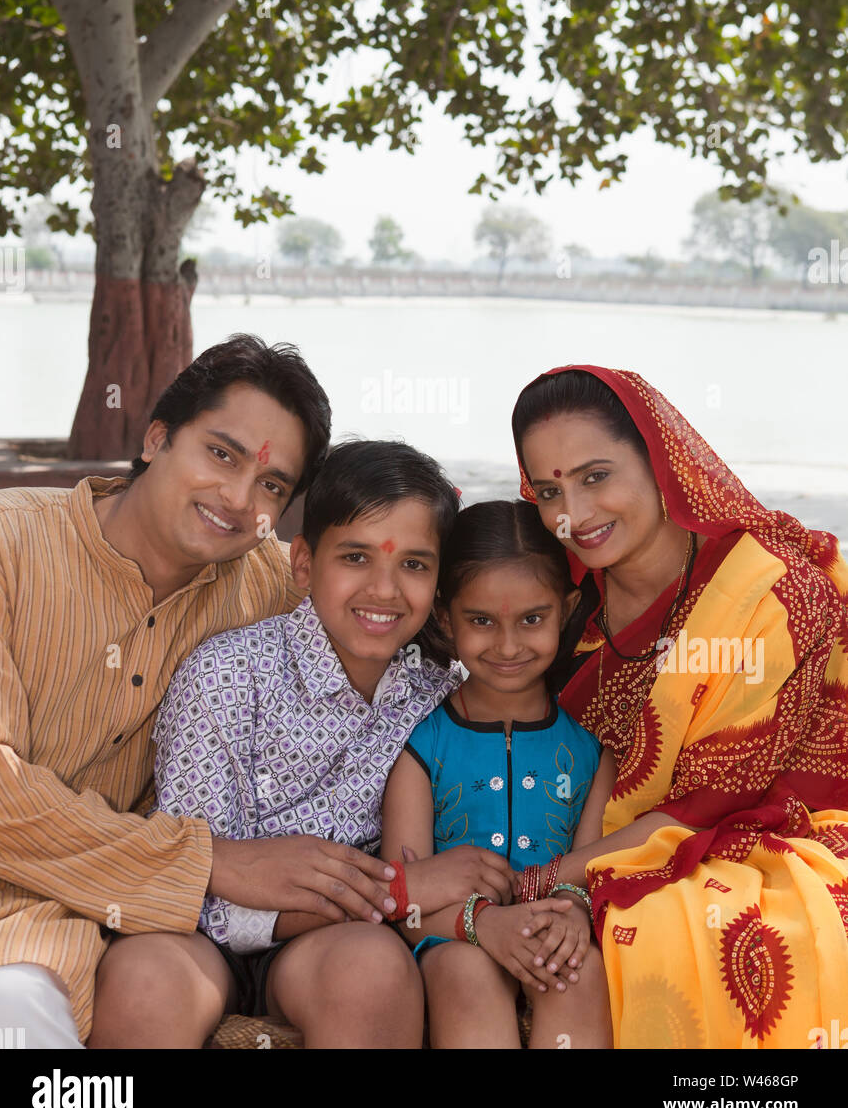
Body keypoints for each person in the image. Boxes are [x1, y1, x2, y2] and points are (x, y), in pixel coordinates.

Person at [0, 335, 401, 1049]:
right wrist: (212, 860)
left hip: (93, 934)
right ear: (156, 438)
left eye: (272, 486)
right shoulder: (2, 547)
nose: (239, 499)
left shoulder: (273, 587)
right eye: (222, 453)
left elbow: (416, 599)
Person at [90, 441, 516, 1049]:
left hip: (336, 943)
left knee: (370, 970)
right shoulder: (228, 674)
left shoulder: (445, 695)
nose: (385, 589)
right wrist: (395, 892)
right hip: (196, 937)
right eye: (356, 557)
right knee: (146, 980)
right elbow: (187, 884)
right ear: (303, 565)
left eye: (415, 565)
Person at [510, 364, 848, 1048]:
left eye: (595, 476)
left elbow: (712, 805)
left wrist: (545, 882)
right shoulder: (560, 598)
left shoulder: (768, 594)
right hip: (595, 838)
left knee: (664, 931)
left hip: (774, 830)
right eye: (549, 491)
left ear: (661, 461)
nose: (572, 512)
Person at [382, 499, 615, 1049]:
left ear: (568, 608)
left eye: (532, 620)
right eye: (481, 621)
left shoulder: (591, 752)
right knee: (468, 974)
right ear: (445, 616)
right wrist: (481, 924)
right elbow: (403, 906)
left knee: (582, 972)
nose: (508, 646)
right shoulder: (421, 750)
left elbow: (589, 881)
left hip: (552, 936)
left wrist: (573, 923)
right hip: (452, 943)